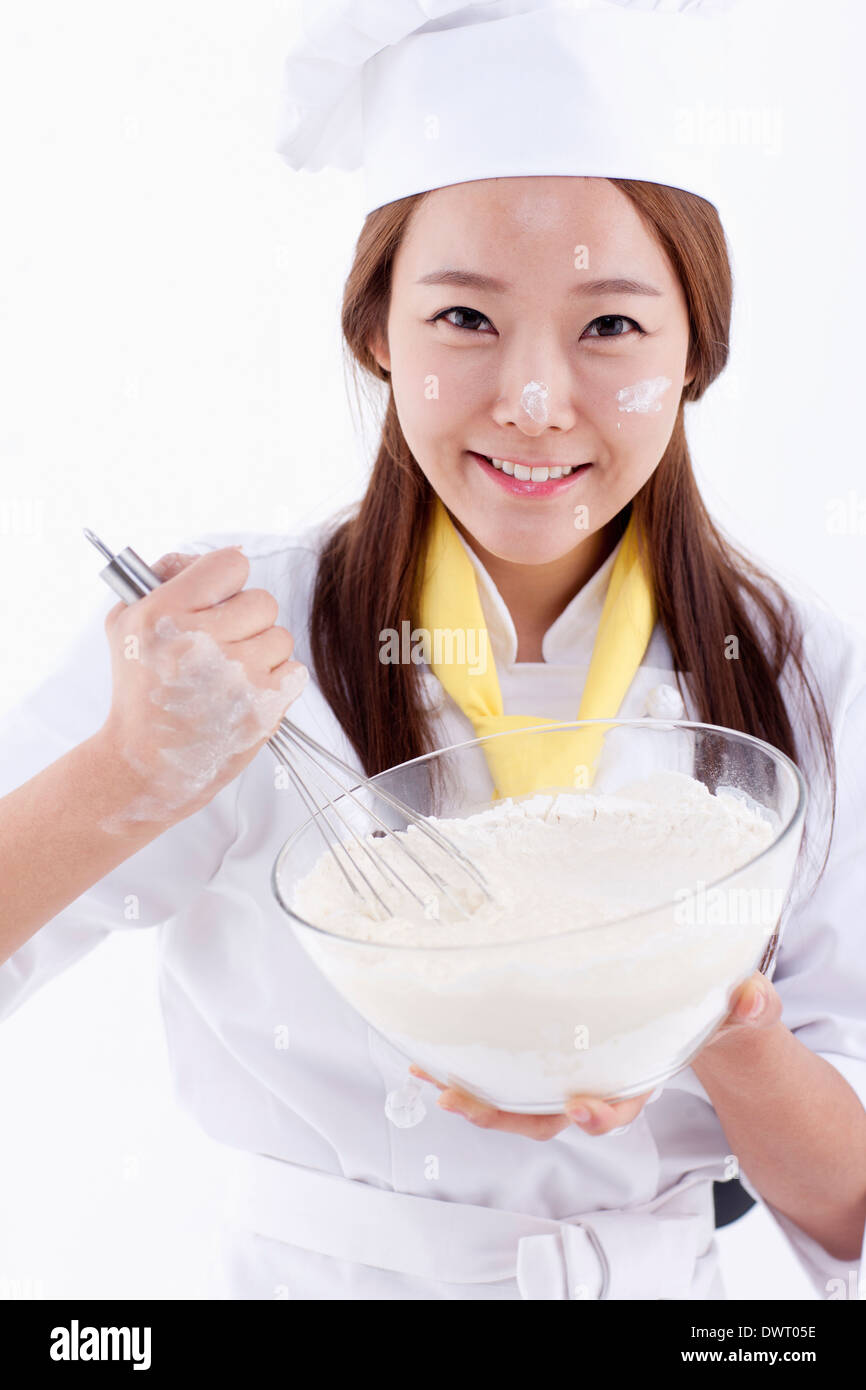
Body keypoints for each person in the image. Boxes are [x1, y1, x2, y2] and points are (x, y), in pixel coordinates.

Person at [1, 0, 865, 1301]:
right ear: (375, 331)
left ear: (698, 352)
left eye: (610, 326)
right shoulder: (228, 650)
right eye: (463, 317)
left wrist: (720, 1023)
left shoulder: (801, 670)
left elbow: (849, 1206)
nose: (530, 395)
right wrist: (128, 768)